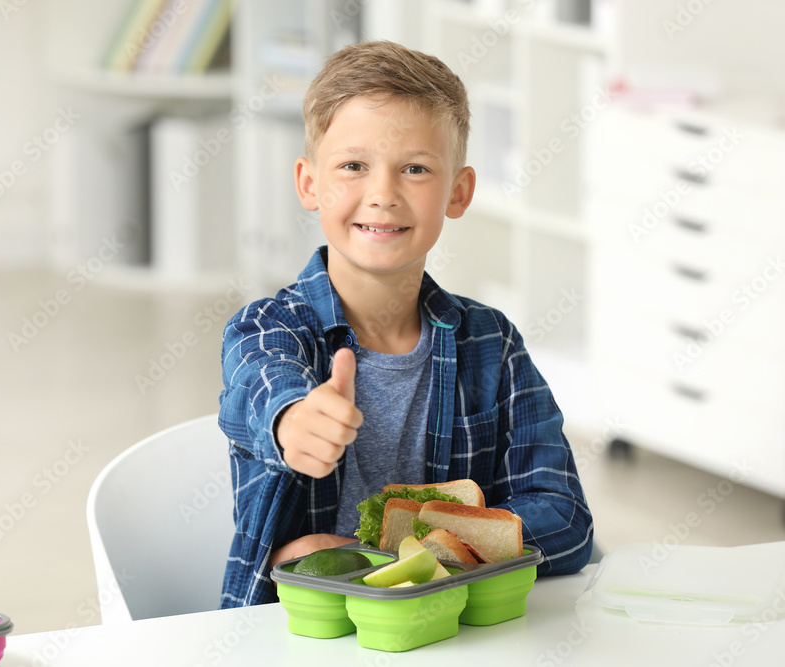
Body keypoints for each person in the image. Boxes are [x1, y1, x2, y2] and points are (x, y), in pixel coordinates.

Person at [217, 40, 593, 608]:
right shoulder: (266, 329)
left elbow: (565, 521)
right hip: (296, 635)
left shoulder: (491, 342)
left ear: (458, 192)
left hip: (453, 632)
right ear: (309, 183)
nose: (383, 194)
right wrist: (292, 421)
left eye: (415, 168)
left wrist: (393, 555)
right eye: (353, 166)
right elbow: (261, 387)